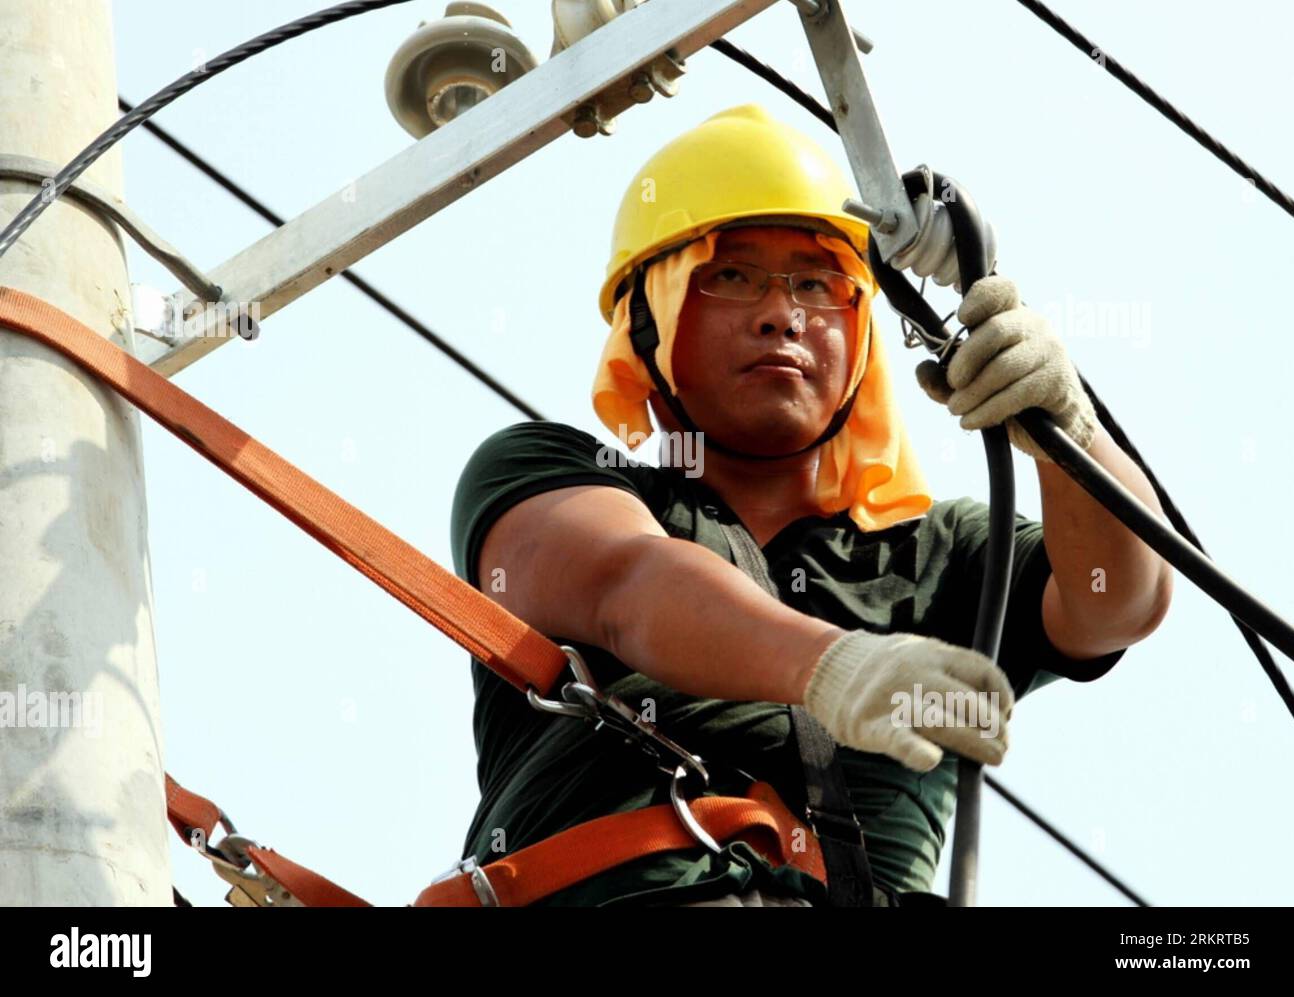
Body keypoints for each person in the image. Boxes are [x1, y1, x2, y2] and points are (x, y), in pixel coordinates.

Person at [448, 104, 1173, 907]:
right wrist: (831, 665)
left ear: (862, 331)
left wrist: (1069, 436)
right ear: (649, 318)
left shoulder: (941, 555)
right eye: (730, 274)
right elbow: (627, 586)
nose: (782, 313)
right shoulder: (549, 473)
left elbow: (1119, 602)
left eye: (820, 283)